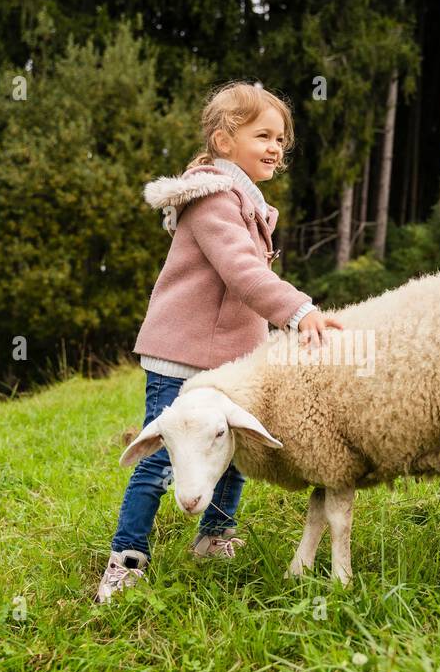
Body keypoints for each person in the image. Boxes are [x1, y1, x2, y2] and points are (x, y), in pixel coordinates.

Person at [97, 81, 344, 603]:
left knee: (233, 449)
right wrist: (299, 311)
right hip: (184, 356)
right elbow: (241, 272)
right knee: (163, 457)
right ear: (224, 140)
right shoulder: (211, 197)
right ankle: (128, 556)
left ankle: (215, 536)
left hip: (231, 364)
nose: (277, 147)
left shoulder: (246, 202)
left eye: (281, 138)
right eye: (263, 135)